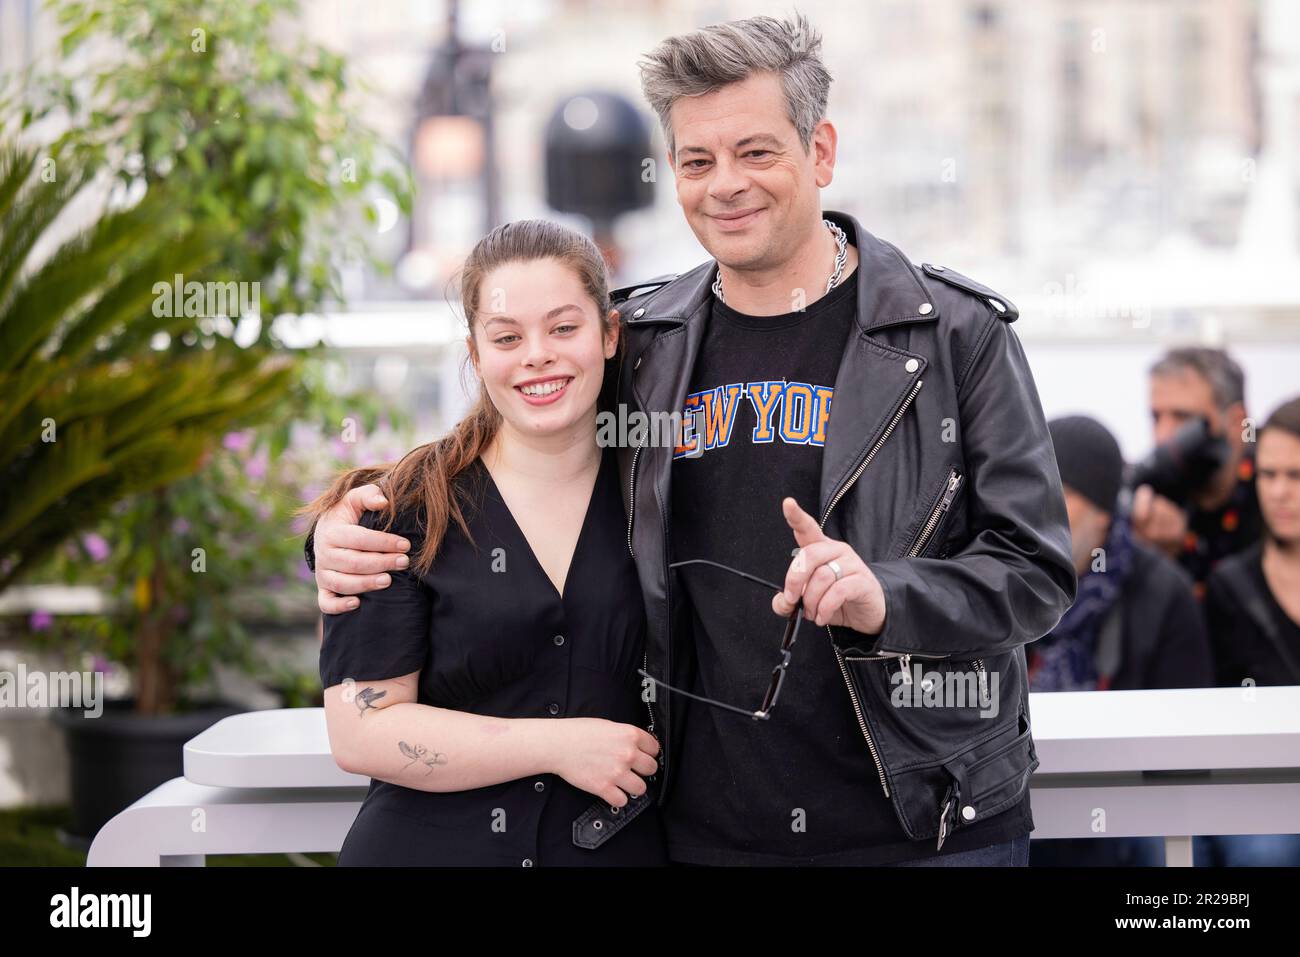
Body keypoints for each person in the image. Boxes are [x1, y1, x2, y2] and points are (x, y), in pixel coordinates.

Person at [309, 14, 1075, 866]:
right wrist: (342, 530)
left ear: (819, 153)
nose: (725, 185)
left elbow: (1037, 569)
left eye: (756, 152)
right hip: (708, 838)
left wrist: (886, 596)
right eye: (697, 160)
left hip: (927, 829)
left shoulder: (950, 335)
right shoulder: (644, 341)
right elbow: (502, 440)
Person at [306, 220, 667, 866]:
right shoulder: (403, 511)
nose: (537, 355)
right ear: (475, 354)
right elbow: (362, 730)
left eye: (564, 328)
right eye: (507, 337)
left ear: (610, 334)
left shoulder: (661, 492)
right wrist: (558, 745)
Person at [1027, 415, 1212, 868]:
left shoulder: (1163, 592)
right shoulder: (1001, 586)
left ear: (1104, 514)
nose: (1039, 513)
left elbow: (1189, 738)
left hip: (1138, 798)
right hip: (1025, 794)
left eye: (1061, 497)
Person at [1195, 395, 1300, 867]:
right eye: (1268, 475)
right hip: (1261, 786)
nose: (1279, 492)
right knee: (1265, 852)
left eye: (1295, 476)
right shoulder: (1230, 587)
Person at [1132, 347, 1261, 599]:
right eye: (1156, 417)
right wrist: (1147, 556)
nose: (1163, 436)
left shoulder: (1276, 492)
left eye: (1183, 418)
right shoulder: (1147, 497)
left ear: (1237, 422)